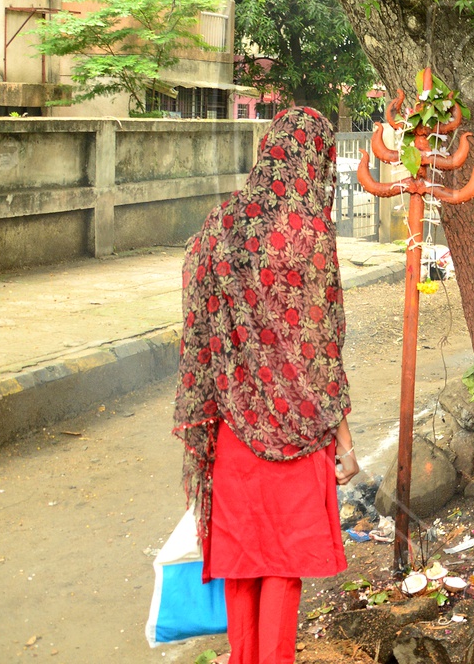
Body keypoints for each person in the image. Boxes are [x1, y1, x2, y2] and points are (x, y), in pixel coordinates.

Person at [174, 108, 358, 664]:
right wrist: (345, 444)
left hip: (232, 430)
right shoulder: (308, 235)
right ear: (315, 162)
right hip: (299, 436)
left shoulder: (217, 226)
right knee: (281, 567)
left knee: (241, 564)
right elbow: (322, 351)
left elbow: (198, 323)